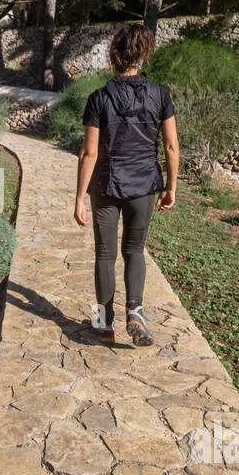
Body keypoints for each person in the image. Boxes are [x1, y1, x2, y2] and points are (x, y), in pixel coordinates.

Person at [73, 23, 179, 346]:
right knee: (134, 250)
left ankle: (104, 324)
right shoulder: (160, 94)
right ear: (143, 57)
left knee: (105, 254)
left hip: (105, 187)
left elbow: (89, 152)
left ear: (113, 57)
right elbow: (172, 146)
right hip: (144, 186)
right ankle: (136, 312)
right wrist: (171, 186)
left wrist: (79, 196)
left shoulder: (98, 98)